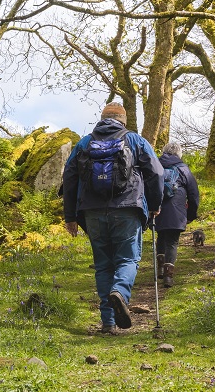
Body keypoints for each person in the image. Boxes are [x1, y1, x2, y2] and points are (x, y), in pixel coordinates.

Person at [62, 103, 163, 333]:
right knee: (127, 260)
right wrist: (155, 205)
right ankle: (120, 292)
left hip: (93, 212)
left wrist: (70, 216)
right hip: (127, 209)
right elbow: (156, 173)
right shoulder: (135, 140)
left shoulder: (85, 143)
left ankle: (107, 322)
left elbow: (69, 178)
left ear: (102, 119)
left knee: (103, 266)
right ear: (123, 121)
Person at [154, 142, 200, 288]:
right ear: (179, 153)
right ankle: (168, 276)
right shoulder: (183, 168)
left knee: (161, 236)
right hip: (177, 210)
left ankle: (160, 268)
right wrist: (191, 214)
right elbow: (193, 194)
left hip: (158, 207)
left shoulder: (156, 165)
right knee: (172, 241)